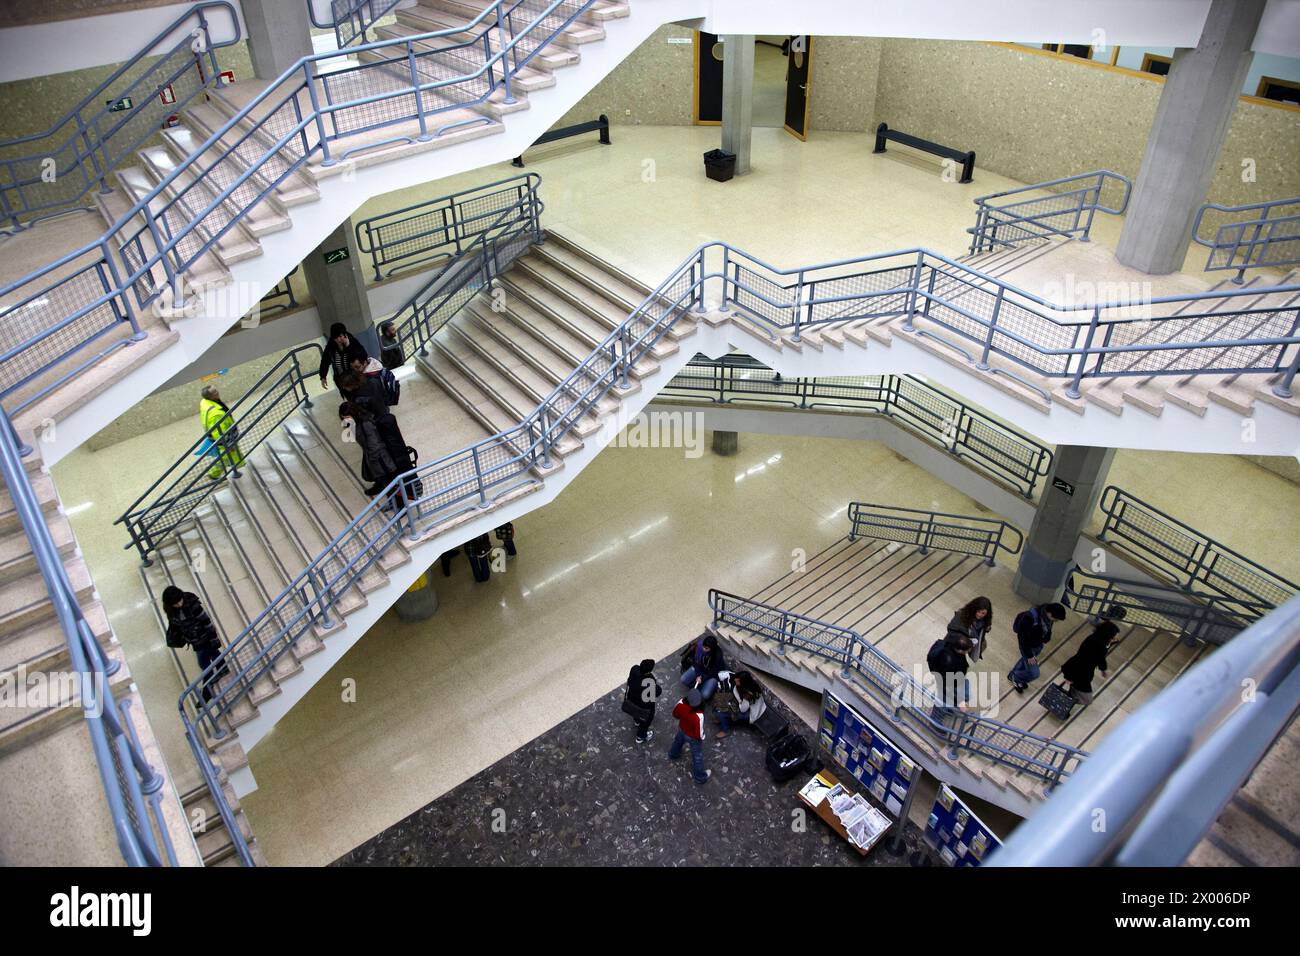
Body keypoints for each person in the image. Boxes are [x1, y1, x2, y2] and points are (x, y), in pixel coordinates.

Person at [162, 585, 228, 703]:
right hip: (194, 640)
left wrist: (214, 639)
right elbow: (175, 625)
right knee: (213, 653)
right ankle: (223, 668)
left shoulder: (192, 603)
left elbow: (206, 621)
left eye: (179, 601)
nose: (179, 604)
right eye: (175, 603)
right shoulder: (171, 611)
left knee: (203, 663)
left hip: (204, 637)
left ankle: (206, 693)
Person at [339, 401, 399, 500]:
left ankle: (397, 503)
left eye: (347, 417)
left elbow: (374, 443)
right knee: (383, 479)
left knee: (388, 482)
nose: (345, 420)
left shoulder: (365, 424)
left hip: (379, 458)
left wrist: (372, 458)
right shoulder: (357, 423)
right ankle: (382, 488)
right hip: (373, 456)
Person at [1008, 601, 1068, 693]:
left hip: (1038, 645)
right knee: (1034, 673)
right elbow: (1022, 637)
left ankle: (1013, 675)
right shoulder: (1030, 617)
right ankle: (1016, 677)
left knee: (1024, 661)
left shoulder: (1047, 618)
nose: (1055, 621)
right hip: (1028, 648)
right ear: (1050, 613)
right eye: (1055, 618)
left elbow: (1046, 632)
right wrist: (1029, 655)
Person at [1061, 621, 1121, 705]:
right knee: (1086, 700)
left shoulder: (1094, 637)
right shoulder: (1101, 646)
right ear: (1107, 636)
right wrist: (1103, 671)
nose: (1115, 639)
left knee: (1079, 690)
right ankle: (1065, 699)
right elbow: (1101, 659)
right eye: (1113, 638)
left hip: (1075, 668)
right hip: (1079, 673)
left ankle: (1070, 693)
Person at [199, 385, 243, 481]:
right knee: (226, 457)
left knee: (226, 457)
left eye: (216, 390)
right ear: (210, 397)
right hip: (225, 441)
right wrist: (229, 444)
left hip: (223, 439)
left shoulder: (206, 402)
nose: (217, 392)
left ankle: (215, 474)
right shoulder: (216, 414)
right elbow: (219, 432)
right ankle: (214, 475)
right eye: (214, 392)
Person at [668, 688, 711, 784]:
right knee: (697, 756)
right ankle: (700, 777)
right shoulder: (699, 715)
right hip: (693, 738)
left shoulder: (681, 703)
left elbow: (675, 714)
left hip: (682, 729)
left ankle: (673, 754)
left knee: (677, 742)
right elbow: (699, 734)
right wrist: (703, 736)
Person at [319, 323, 369, 393]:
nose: (338, 339)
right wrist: (323, 376)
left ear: (345, 335)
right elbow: (325, 361)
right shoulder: (331, 346)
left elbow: (362, 356)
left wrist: (348, 346)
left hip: (356, 378)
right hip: (343, 382)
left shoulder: (352, 342)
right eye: (335, 338)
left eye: (340, 336)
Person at [715, 670, 766, 738]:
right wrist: (739, 701)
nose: (735, 681)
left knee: (724, 712)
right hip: (746, 705)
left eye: (737, 681)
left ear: (743, 682)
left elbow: (743, 709)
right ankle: (722, 718)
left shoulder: (749, 694)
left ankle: (726, 730)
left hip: (752, 712)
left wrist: (739, 702)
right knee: (723, 702)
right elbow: (735, 690)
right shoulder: (748, 684)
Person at [928, 634, 973, 711]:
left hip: (943, 677)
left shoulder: (948, 644)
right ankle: (935, 720)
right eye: (968, 650)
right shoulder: (953, 663)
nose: (969, 651)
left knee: (964, 692)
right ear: (960, 650)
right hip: (949, 684)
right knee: (943, 702)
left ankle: (953, 705)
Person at [946, 596, 993, 664]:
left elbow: (985, 629)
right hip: (957, 643)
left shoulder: (985, 620)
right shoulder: (962, 615)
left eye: (983, 613)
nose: (980, 615)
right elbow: (951, 629)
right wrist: (965, 641)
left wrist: (987, 628)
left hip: (970, 643)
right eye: (978, 611)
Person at [679, 633, 726, 701]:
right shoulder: (701, 646)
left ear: (712, 648)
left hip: (711, 675)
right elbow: (696, 662)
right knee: (683, 679)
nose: (703, 649)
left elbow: (713, 672)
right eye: (703, 646)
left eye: (706, 648)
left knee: (705, 695)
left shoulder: (717, 656)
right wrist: (698, 675)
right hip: (700, 670)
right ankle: (701, 686)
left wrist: (702, 678)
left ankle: (703, 686)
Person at [625, 658, 662, 744]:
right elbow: (654, 695)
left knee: (635, 711)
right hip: (643, 706)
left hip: (631, 699)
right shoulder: (650, 680)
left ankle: (637, 721)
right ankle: (640, 737)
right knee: (646, 721)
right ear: (649, 671)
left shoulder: (634, 669)